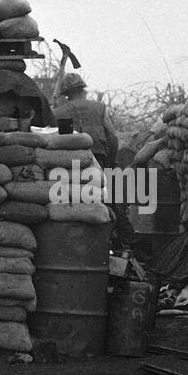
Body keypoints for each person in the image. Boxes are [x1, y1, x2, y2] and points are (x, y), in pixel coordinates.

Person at [51, 70, 131, 246]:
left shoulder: (57, 112)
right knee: (105, 199)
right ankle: (116, 243)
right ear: (83, 89)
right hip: (99, 159)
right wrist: (111, 162)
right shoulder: (99, 108)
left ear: (66, 94)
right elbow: (113, 137)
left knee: (74, 200)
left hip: (69, 163)